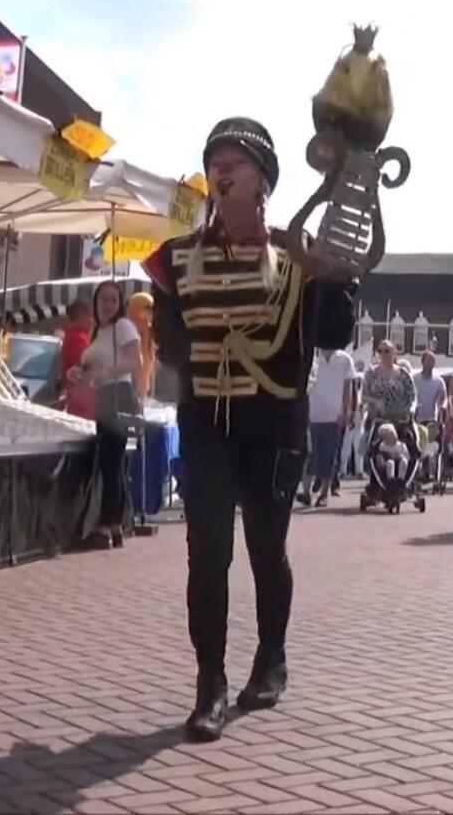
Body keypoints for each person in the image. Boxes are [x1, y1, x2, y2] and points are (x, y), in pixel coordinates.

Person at [144, 116, 359, 742]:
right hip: (209, 419)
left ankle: (271, 659)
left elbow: (335, 333)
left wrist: (333, 275)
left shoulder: (296, 256)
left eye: (236, 161)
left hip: (273, 422)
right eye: (216, 162)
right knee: (206, 554)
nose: (222, 171)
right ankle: (209, 681)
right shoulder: (176, 258)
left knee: (268, 548)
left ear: (262, 181)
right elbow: (172, 341)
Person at [72, 281, 143, 551]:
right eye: (103, 299)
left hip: (118, 394)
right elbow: (90, 364)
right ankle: (114, 525)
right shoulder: (97, 331)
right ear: (96, 302)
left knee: (111, 461)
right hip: (102, 395)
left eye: (113, 300)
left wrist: (106, 372)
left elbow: (134, 362)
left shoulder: (123, 327)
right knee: (109, 462)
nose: (108, 305)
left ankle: (107, 526)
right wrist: (80, 372)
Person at [304, 345, 355, 508]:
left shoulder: (345, 359)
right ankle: (305, 493)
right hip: (312, 414)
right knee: (309, 455)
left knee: (329, 456)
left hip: (334, 416)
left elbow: (348, 387)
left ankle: (324, 494)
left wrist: (346, 412)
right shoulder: (310, 357)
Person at [413, 350, 448, 483]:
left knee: (431, 444)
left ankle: (430, 472)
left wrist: (443, 407)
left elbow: (443, 397)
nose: (431, 364)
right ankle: (417, 471)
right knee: (417, 444)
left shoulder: (438, 381)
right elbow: (411, 395)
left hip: (432, 418)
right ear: (423, 362)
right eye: (429, 361)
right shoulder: (415, 379)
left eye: (433, 361)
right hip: (417, 418)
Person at [59, 298, 96, 419]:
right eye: (90, 316)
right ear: (81, 315)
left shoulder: (77, 336)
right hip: (82, 400)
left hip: (81, 398)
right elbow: (87, 366)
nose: (92, 321)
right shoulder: (77, 338)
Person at [126, 291, 157, 401]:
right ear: (136, 309)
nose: (150, 312)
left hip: (143, 390)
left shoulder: (150, 330)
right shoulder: (126, 331)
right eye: (147, 308)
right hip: (128, 387)